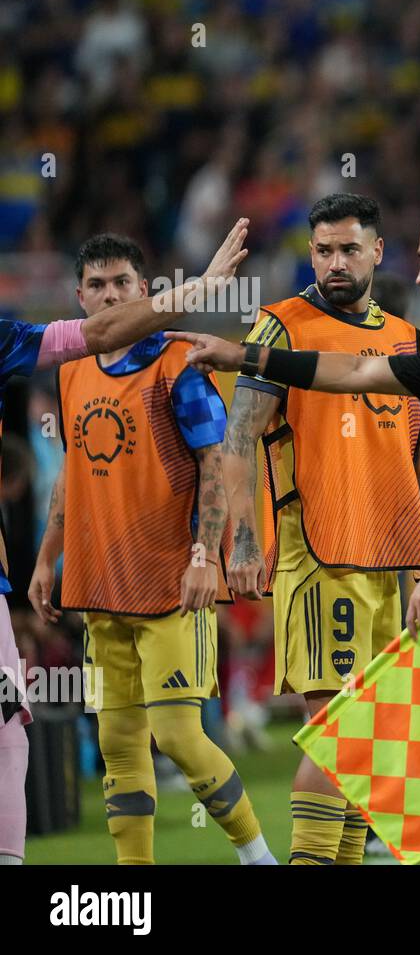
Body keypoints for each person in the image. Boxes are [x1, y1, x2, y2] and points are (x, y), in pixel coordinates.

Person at [172, 195, 420, 865]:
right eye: (321, 249)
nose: (418, 274)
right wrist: (243, 356)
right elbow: (343, 379)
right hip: (331, 557)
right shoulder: (297, 326)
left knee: (406, 736)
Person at [0, 216, 250, 866]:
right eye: (97, 285)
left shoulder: (179, 359)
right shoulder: (72, 371)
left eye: (121, 283)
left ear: (143, 288)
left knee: (179, 738)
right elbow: (72, 472)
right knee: (118, 744)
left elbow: (215, 465)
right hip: (102, 587)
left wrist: (206, 555)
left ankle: (258, 856)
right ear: (81, 297)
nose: (110, 295)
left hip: (169, 582)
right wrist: (50, 556)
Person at [220, 193, 420, 865]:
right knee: (333, 724)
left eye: (348, 249)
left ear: (376, 252)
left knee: (366, 735)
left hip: (388, 556)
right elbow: (238, 437)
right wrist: (246, 541)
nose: (334, 262)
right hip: (319, 549)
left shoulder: (404, 335)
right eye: (323, 250)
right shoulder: (280, 325)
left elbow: (416, 454)